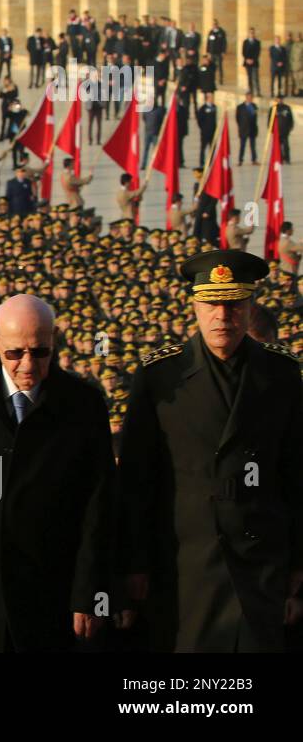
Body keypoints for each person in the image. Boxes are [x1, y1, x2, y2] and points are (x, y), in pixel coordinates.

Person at [117, 249, 303, 652]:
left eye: (234, 304)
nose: (223, 316)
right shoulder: (160, 377)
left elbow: (296, 474)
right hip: (187, 564)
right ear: (195, 307)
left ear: (251, 306)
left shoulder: (282, 374)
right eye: (212, 305)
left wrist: (298, 561)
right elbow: (136, 480)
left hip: (261, 564)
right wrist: (134, 562)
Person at [0, 295, 114, 652]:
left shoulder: (83, 404)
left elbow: (100, 505)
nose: (28, 365)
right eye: (15, 353)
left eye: (40, 351)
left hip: (52, 589)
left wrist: (91, 591)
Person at [235, 94, 259, 165]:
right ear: (246, 97)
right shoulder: (240, 107)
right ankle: (240, 160)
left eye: (251, 98)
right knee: (242, 145)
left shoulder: (254, 106)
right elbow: (237, 118)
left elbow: (255, 118)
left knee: (253, 146)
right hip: (243, 129)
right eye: (248, 97)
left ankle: (254, 160)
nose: (249, 99)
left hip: (252, 129)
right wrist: (241, 126)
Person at [273, 96, 293, 164]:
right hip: (277, 131)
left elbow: (291, 118)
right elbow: (270, 120)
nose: (280, 100)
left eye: (281, 99)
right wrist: (271, 130)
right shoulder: (274, 108)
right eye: (279, 99)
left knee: (286, 145)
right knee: (278, 146)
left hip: (285, 130)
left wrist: (290, 127)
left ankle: (287, 158)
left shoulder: (287, 107)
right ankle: (280, 159)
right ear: (276, 100)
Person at [243, 27, 262, 96]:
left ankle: (258, 92)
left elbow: (258, 52)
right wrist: (247, 59)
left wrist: (253, 59)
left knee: (256, 77)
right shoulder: (245, 42)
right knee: (249, 78)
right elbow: (243, 52)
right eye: (250, 33)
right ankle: (251, 91)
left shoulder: (257, 42)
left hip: (255, 62)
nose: (251, 34)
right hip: (247, 62)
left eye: (253, 33)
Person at [207, 19, 227, 83]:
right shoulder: (211, 32)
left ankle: (221, 79)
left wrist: (223, 51)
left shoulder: (221, 32)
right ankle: (212, 78)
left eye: (215, 24)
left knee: (220, 66)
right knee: (212, 66)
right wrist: (208, 52)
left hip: (219, 52)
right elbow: (208, 42)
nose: (214, 25)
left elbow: (224, 42)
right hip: (212, 52)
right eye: (213, 24)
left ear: (217, 24)